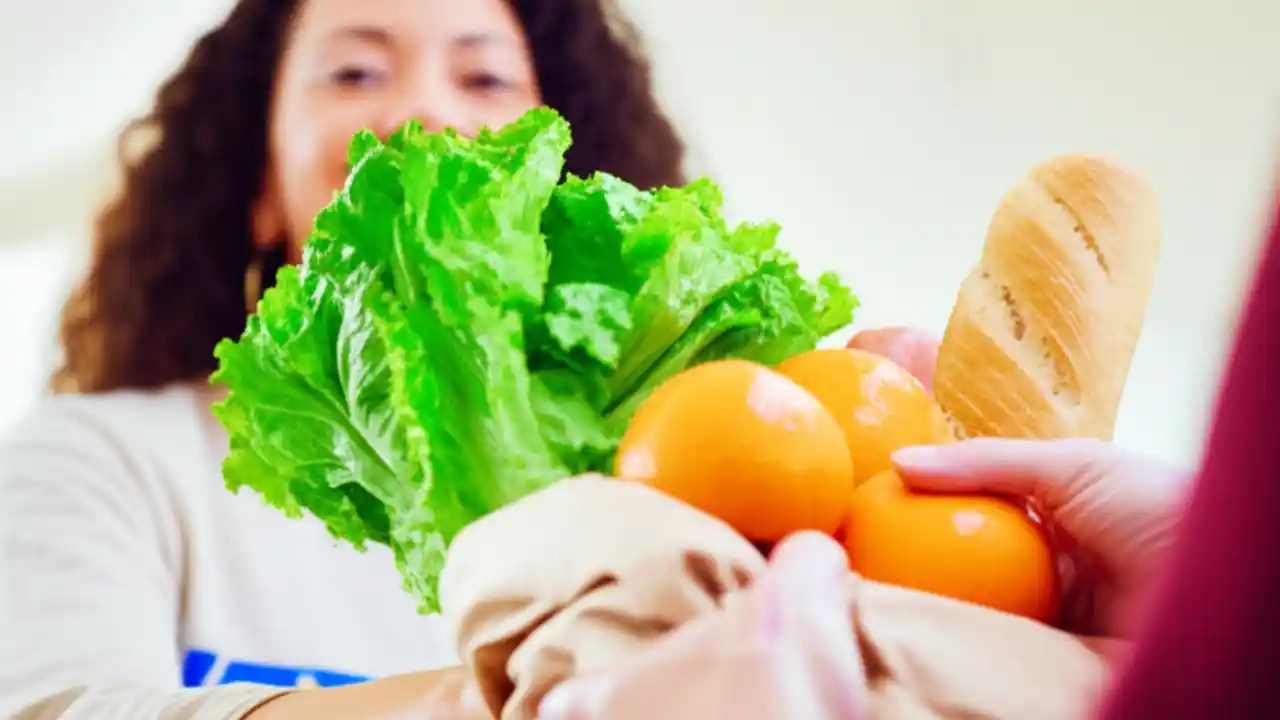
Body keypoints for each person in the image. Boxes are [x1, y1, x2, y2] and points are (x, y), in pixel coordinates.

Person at [0, 0, 689, 717]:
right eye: (354, 73)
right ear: (258, 187)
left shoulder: (648, 486)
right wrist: (497, 698)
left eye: (485, 78)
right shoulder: (106, 461)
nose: (425, 111)